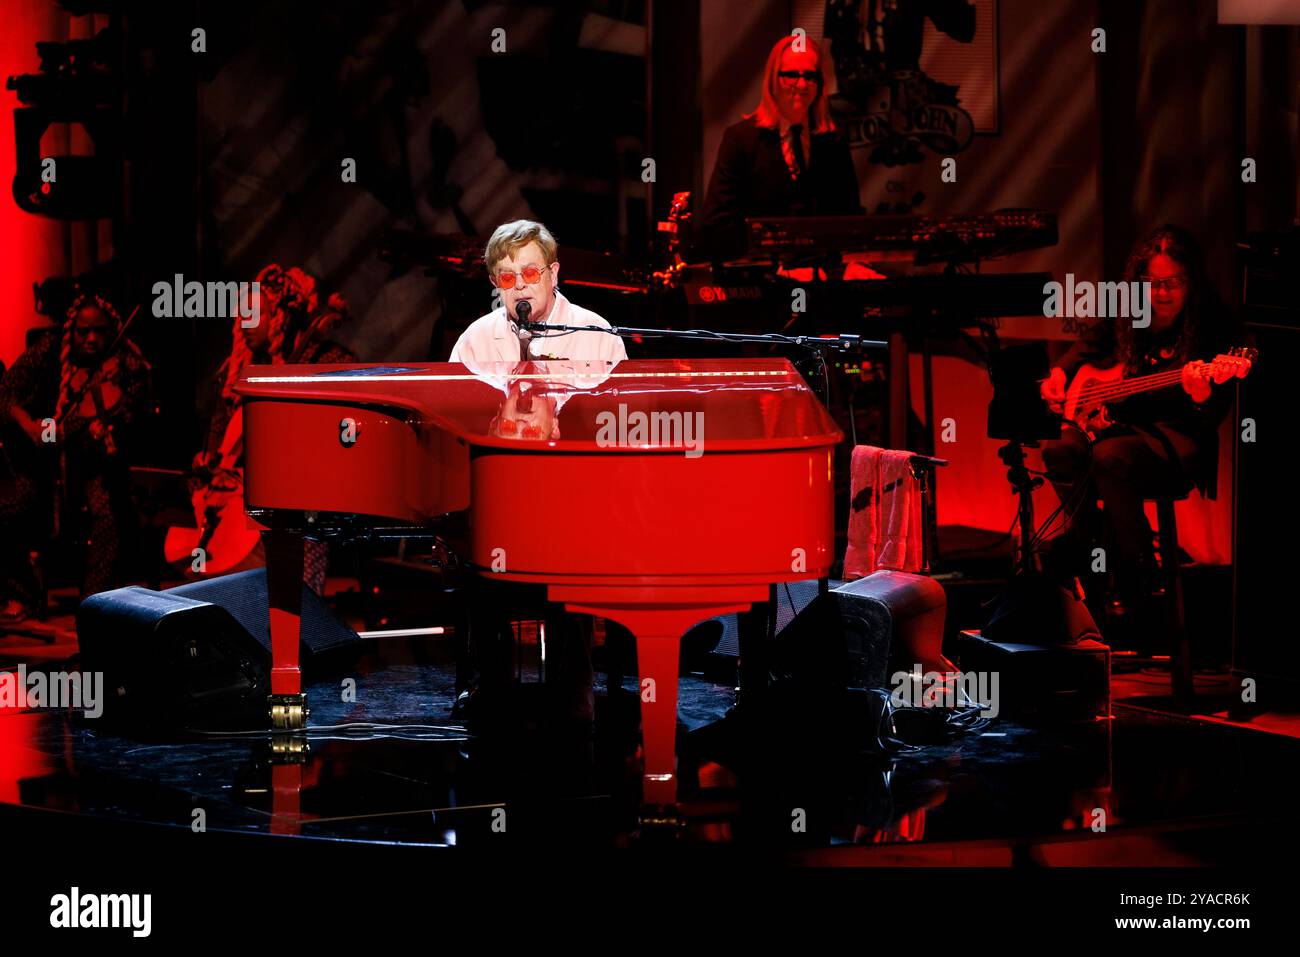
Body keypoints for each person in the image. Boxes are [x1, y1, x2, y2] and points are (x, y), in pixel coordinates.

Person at [1038, 225, 1244, 611]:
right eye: (1152, 283)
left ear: (1191, 282)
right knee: (1059, 452)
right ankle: (1092, 546)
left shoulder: (1213, 328)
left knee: (1109, 458)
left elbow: (1207, 420)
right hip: (1119, 430)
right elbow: (1084, 348)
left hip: (1175, 441)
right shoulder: (1127, 314)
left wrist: (1200, 394)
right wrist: (1060, 375)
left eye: (1173, 283)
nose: (1162, 293)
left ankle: (1140, 572)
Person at [189, 264, 355, 592]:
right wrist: (209, 459)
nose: (245, 324)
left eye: (256, 313)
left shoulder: (325, 360)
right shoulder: (242, 365)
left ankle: (301, 627)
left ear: (281, 315)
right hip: (239, 497)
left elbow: (340, 429)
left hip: (299, 496)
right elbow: (220, 432)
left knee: (296, 589)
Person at [0, 294, 153, 623]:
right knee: (9, 508)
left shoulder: (126, 364)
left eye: (99, 331)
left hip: (96, 466)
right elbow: (8, 388)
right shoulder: (52, 348)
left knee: (106, 512)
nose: (92, 339)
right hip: (46, 461)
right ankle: (24, 590)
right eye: (84, 331)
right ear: (72, 330)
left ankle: (93, 604)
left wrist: (102, 426)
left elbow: (137, 423)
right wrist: (29, 426)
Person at [697, 34, 864, 263]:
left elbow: (850, 218)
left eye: (810, 76)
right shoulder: (741, 139)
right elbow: (717, 224)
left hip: (824, 279)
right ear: (773, 81)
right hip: (762, 279)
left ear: (820, 84)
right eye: (791, 75)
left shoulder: (832, 142)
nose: (802, 85)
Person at [449, 220, 627, 364]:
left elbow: (618, 403)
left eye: (530, 273)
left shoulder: (599, 335)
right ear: (495, 283)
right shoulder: (475, 339)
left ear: (553, 274)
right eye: (507, 278)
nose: (519, 285)